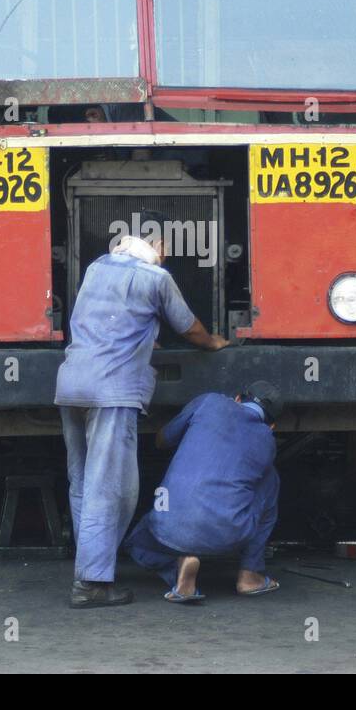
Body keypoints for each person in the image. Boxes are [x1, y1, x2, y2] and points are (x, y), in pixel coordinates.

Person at [56, 212, 229, 608]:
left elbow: (106, 320)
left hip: (71, 384)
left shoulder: (97, 268)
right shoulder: (157, 278)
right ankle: (92, 584)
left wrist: (144, 338)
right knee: (112, 488)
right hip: (111, 390)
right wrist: (214, 343)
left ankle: (90, 568)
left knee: (82, 483)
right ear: (160, 247)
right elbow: (189, 327)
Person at [124, 382, 282, 603]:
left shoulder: (210, 401)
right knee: (270, 479)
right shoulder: (267, 441)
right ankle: (250, 574)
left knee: (135, 543)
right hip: (227, 534)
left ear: (237, 398)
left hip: (167, 528)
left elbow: (162, 440)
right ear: (272, 425)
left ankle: (178, 570)